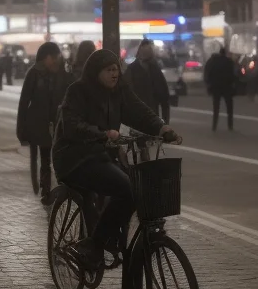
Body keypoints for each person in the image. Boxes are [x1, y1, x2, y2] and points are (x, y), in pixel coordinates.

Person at [53, 49, 181, 274]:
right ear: (96, 72)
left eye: (116, 69)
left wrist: (162, 127)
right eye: (109, 70)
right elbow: (72, 126)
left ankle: (109, 237)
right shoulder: (78, 91)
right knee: (128, 189)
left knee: (135, 186)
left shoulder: (119, 91)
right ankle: (95, 244)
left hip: (99, 156)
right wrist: (102, 134)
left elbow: (139, 111)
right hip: (73, 158)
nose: (114, 74)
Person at [17, 42, 69, 204]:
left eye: (56, 57)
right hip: (40, 124)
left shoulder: (63, 73)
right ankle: (46, 191)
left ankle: (63, 189)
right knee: (45, 158)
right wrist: (21, 129)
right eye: (51, 57)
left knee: (60, 157)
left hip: (60, 122)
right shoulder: (34, 73)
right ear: (43, 58)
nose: (54, 60)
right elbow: (24, 102)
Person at [123, 39, 171, 123]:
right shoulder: (134, 70)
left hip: (148, 115)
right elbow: (164, 97)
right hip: (140, 116)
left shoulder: (153, 69)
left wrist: (165, 121)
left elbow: (164, 97)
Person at [203, 47, 237, 131]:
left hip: (216, 87)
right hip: (227, 87)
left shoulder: (213, 61)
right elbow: (234, 74)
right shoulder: (229, 62)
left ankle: (214, 126)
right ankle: (230, 126)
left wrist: (208, 84)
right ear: (225, 53)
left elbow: (207, 73)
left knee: (216, 108)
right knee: (229, 108)